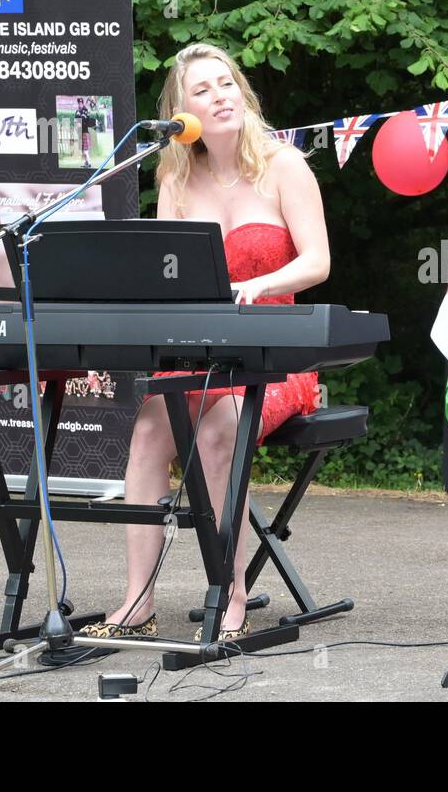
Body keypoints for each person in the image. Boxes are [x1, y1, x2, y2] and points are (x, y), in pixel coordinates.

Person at [82, 43, 330, 640]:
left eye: (226, 84)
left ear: (242, 93)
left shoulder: (283, 165)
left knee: (219, 430)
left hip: (274, 356)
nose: (220, 96)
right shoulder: (176, 176)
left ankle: (233, 595)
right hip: (201, 354)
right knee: (147, 428)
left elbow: (318, 262)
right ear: (181, 112)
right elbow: (167, 283)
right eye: (203, 90)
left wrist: (258, 283)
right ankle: (137, 602)